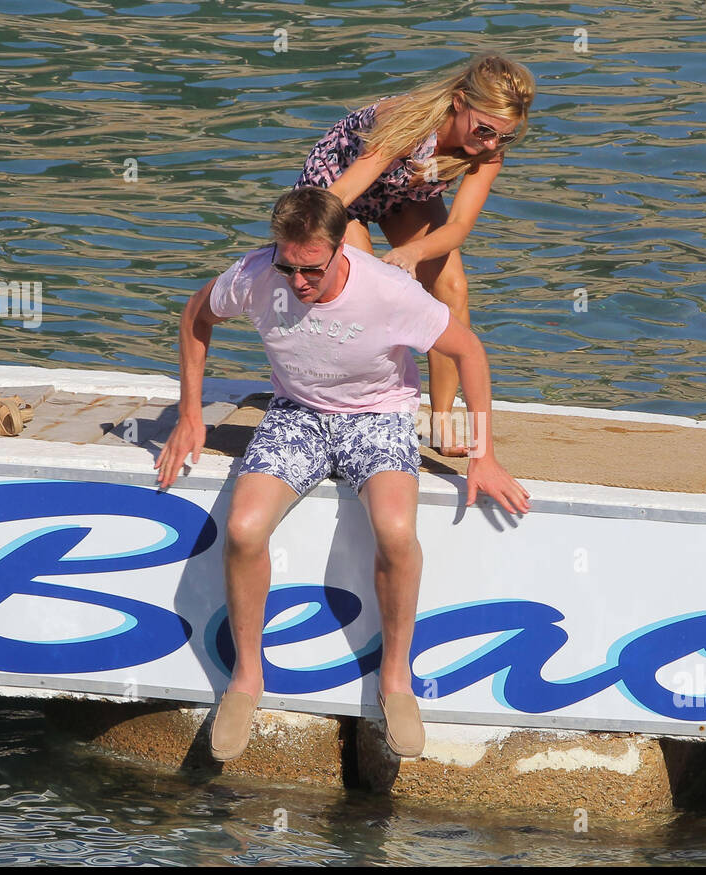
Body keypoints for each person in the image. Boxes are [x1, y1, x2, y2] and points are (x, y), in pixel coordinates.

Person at [155, 187, 530, 761]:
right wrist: (188, 416)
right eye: (288, 266)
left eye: (311, 269)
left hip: (378, 418)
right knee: (242, 529)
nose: (298, 281)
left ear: (338, 251)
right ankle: (247, 680)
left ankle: (396, 682)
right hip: (297, 416)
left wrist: (482, 454)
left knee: (396, 531)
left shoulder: (388, 292)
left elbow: (468, 350)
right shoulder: (256, 275)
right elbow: (195, 315)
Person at [294, 52, 535, 456]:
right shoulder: (407, 121)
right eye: (484, 130)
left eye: (504, 136)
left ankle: (441, 424)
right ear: (460, 102)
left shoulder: (488, 149)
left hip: (404, 193)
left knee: (452, 290)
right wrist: (301, 238)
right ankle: (349, 411)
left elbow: (458, 228)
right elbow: (345, 193)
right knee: (360, 286)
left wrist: (412, 252)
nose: (491, 144)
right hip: (339, 185)